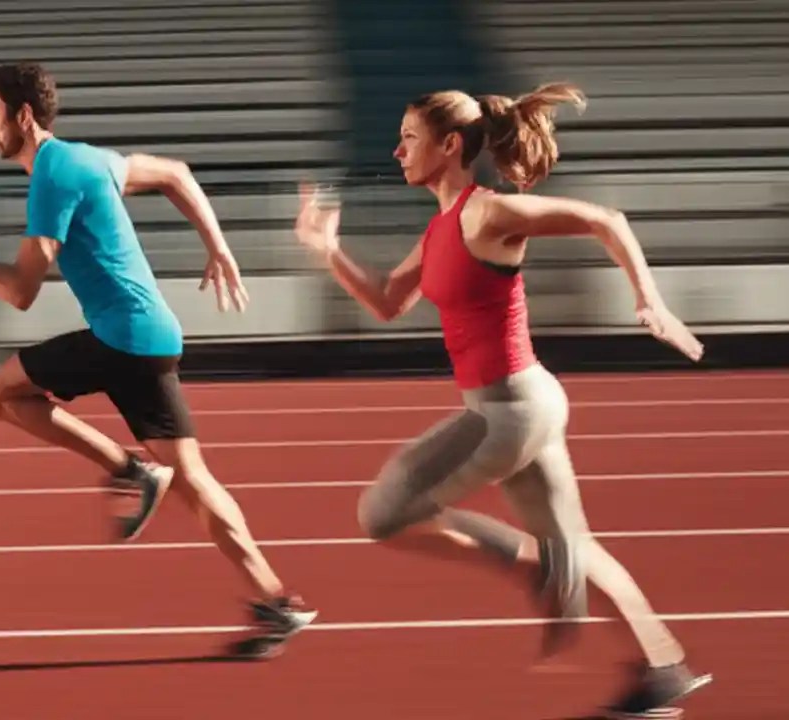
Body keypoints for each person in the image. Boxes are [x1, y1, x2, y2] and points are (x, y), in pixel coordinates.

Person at [293, 83, 712, 717]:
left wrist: (650, 302)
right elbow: (385, 300)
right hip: (525, 405)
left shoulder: (486, 214)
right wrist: (327, 252)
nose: (397, 149)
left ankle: (539, 568)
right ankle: (664, 669)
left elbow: (607, 220)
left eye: (409, 138)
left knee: (385, 510)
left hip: (510, 411)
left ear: (450, 145)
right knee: (579, 546)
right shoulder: (440, 229)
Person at [0, 60, 316, 658]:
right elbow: (177, 173)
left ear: (23, 116)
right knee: (195, 483)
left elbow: (20, 293)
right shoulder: (92, 159)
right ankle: (277, 601)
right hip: (149, 337)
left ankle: (127, 469)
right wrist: (220, 247)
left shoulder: (52, 175)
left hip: (122, 340)